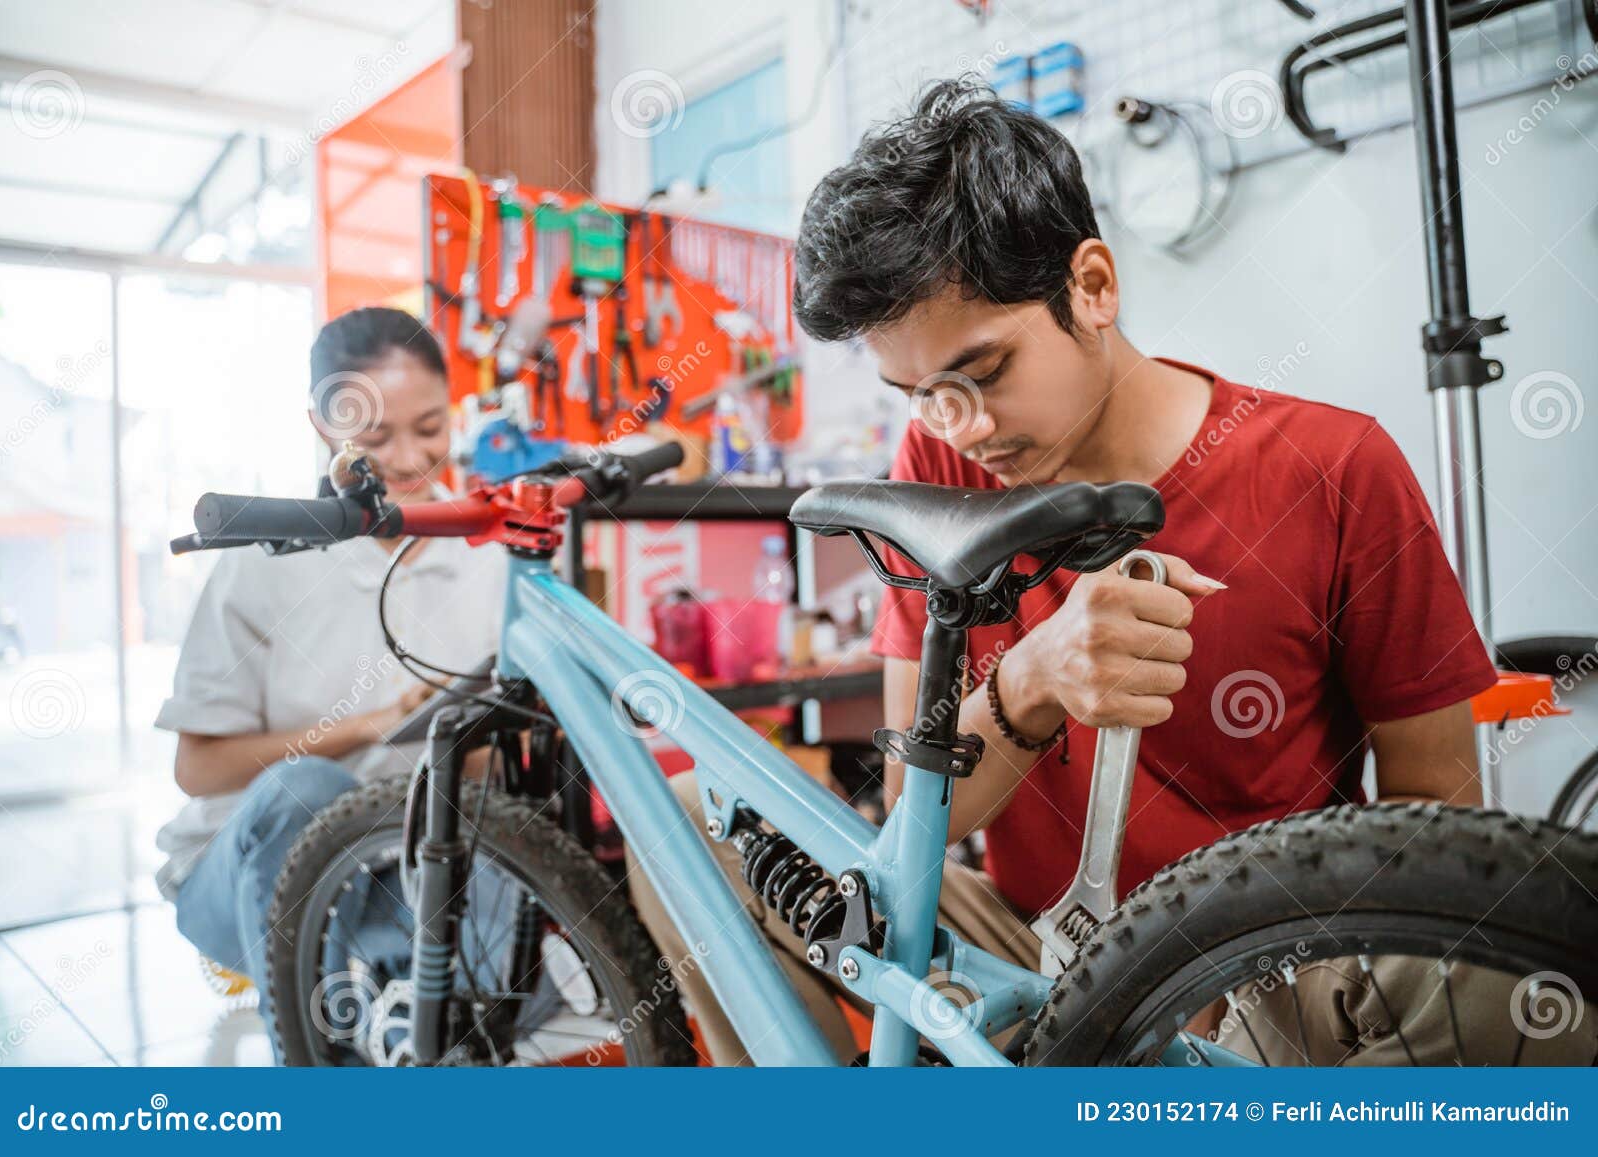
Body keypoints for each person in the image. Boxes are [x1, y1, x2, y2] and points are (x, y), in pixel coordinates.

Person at [629, 79, 1592, 1065]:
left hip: (1259, 970)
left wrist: (1237, 960)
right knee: (675, 824)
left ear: (1092, 285)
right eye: (919, 396)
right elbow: (917, 817)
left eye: (985, 371)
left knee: (1518, 972)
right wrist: (1031, 683)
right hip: (1027, 953)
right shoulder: (940, 471)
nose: (961, 428)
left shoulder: (1333, 467)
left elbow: (1438, 824)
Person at [155, 307, 504, 1052]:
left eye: (431, 427)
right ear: (323, 424)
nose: (410, 461)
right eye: (376, 437)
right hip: (247, 868)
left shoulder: (482, 560)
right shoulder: (262, 558)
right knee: (307, 792)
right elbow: (198, 767)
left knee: (510, 929)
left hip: (399, 861)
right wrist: (369, 725)